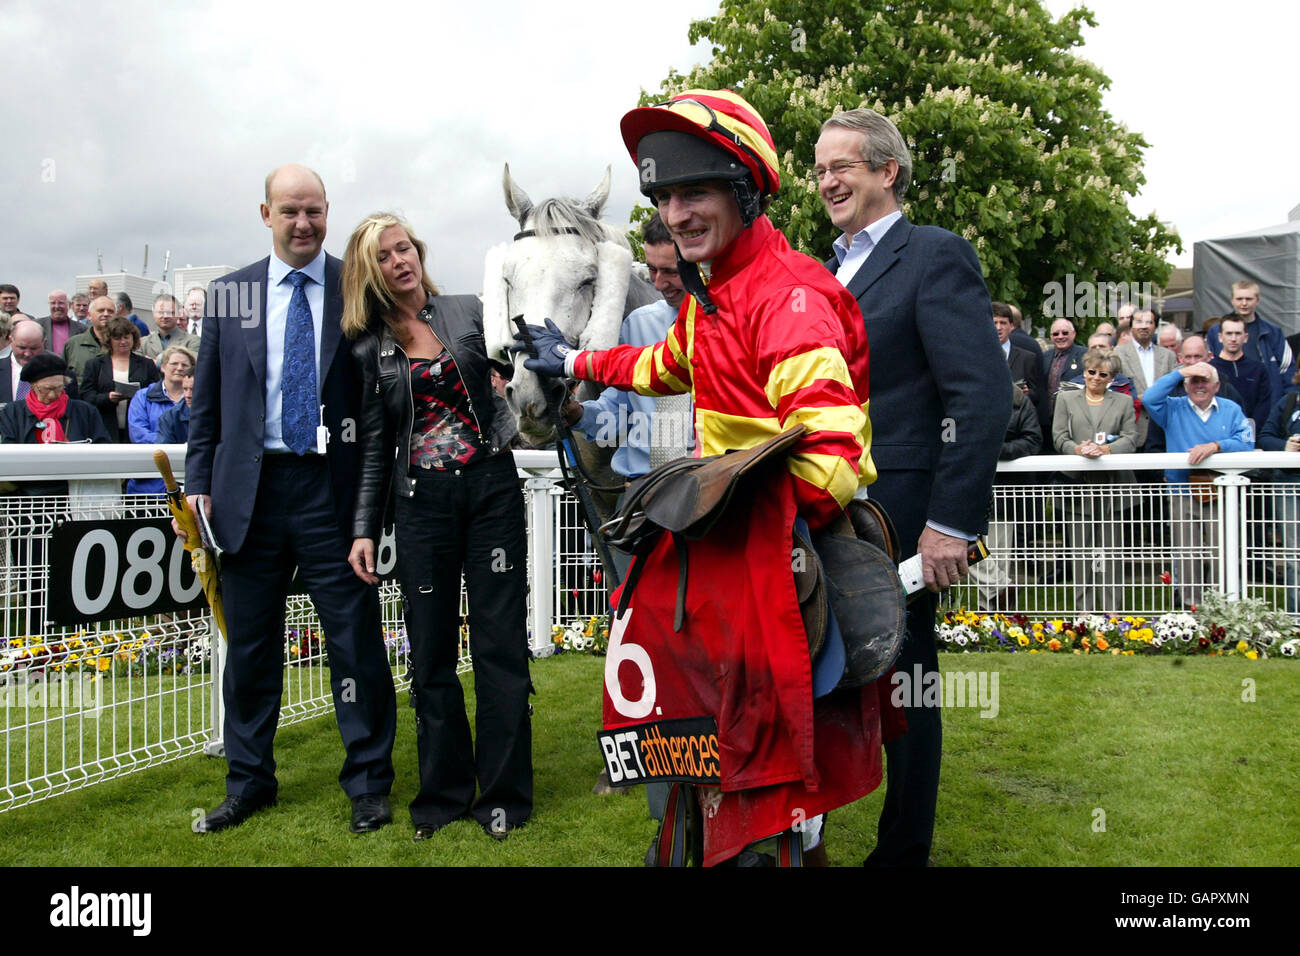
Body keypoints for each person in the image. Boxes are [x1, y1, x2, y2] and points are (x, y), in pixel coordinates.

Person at [522, 89, 892, 866]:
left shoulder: (787, 296)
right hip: (722, 549)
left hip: (771, 557)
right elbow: (665, 363)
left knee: (769, 797)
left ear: (745, 190)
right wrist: (576, 360)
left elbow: (830, 462)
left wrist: (723, 513)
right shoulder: (711, 291)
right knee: (704, 773)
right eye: (663, 197)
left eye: (695, 193)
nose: (677, 213)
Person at [815, 107, 1008, 867]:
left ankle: (903, 852)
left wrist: (952, 524)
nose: (827, 179)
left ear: (886, 171)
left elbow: (981, 396)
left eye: (843, 166)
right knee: (825, 674)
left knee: (907, 684)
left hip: (898, 518)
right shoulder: (823, 270)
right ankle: (808, 833)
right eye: (821, 167)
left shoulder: (934, 254)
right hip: (823, 506)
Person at [181, 164, 397, 835]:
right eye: (289, 211)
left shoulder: (356, 286)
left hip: (332, 494)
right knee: (249, 649)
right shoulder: (229, 296)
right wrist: (197, 484)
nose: (303, 223)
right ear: (265, 213)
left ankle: (368, 783)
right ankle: (249, 782)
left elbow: (381, 396)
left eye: (314, 211)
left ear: (328, 212)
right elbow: (206, 406)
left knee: (355, 643)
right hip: (249, 493)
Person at [343, 212, 531, 843]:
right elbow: (374, 445)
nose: (400, 261)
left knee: (500, 646)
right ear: (371, 273)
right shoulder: (368, 346)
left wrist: (515, 373)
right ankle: (443, 795)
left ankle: (504, 796)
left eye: (405, 248)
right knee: (430, 653)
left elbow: (511, 368)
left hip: (492, 492)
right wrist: (364, 527)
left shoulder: (468, 310)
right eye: (385, 257)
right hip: (420, 505)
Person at [1143, 363, 1254, 608]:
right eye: (1194, 381)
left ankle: (1220, 608)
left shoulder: (1231, 409)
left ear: (1216, 386)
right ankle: (1190, 610)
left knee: (1221, 553)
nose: (1200, 386)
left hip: (1220, 491)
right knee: (1187, 555)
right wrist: (1182, 371)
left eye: (1205, 381)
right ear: (1185, 385)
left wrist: (1216, 445)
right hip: (1182, 491)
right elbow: (1150, 397)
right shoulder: (1173, 408)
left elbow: (1246, 442)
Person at [1051, 348, 1137, 613]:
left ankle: (1113, 612)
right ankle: (1083, 612)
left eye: (1104, 374)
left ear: (1112, 378)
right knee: (1080, 553)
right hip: (1077, 486)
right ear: (1084, 371)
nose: (1096, 378)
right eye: (1092, 372)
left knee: (1112, 553)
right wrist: (1078, 450)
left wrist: (1106, 450)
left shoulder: (1122, 402)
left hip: (1114, 486)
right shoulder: (1066, 398)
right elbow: (1059, 436)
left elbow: (1131, 437)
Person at [966, 380, 1041, 610]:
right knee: (967, 548)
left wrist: (997, 451)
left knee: (996, 554)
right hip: (968, 487)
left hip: (1004, 493)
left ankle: (989, 614)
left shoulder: (1020, 402)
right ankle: (1001, 588)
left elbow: (1033, 440)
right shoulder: (966, 397)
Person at [125, 345, 194, 493]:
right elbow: (138, 433)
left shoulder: (197, 400)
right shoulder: (143, 396)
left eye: (185, 365)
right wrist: (171, 443)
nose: (179, 368)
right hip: (149, 481)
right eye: (174, 363)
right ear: (162, 367)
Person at [80, 316, 160, 442]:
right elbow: (86, 395)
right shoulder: (95, 364)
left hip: (138, 427)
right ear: (109, 340)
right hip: (105, 425)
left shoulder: (147, 364)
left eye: (126, 337)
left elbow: (156, 392)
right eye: (117, 338)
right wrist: (108, 398)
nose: (123, 341)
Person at [1259, 373, 1300, 612]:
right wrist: (1285, 446)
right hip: (1288, 483)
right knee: (1295, 555)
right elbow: (1265, 436)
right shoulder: (1288, 402)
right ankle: (1296, 620)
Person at [1206, 280, 1293, 391]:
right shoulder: (1215, 331)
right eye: (1239, 299)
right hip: (1227, 396)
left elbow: (1288, 369)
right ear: (1232, 300)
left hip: (1265, 398)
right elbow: (1207, 365)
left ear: (1257, 300)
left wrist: (1286, 402)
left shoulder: (1273, 332)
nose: (1244, 303)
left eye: (1249, 299)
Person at [1115, 308, 1176, 450]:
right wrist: (1138, 398)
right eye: (1138, 322)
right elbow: (1114, 392)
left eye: (1149, 322)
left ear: (1155, 326)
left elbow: (1175, 390)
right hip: (1132, 427)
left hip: (1163, 427)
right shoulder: (1118, 354)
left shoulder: (1168, 356)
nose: (1143, 326)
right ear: (1131, 327)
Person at [63, 295, 117, 382]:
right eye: (101, 310)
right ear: (89, 315)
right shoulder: (73, 344)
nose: (106, 314)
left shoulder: (124, 345)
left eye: (110, 311)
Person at [140, 294, 201, 360]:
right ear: (153, 313)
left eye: (170, 312)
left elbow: (192, 363)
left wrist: (154, 362)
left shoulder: (193, 341)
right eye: (161, 312)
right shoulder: (142, 343)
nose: (165, 316)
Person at [37, 289, 86, 354]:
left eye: (61, 303)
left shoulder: (82, 329)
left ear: (69, 305)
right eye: (53, 303)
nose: (57, 306)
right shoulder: (37, 326)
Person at [156, 372, 193, 444]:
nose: (188, 395)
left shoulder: (221, 413)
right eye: (185, 389)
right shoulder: (170, 417)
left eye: (193, 389)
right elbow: (165, 451)